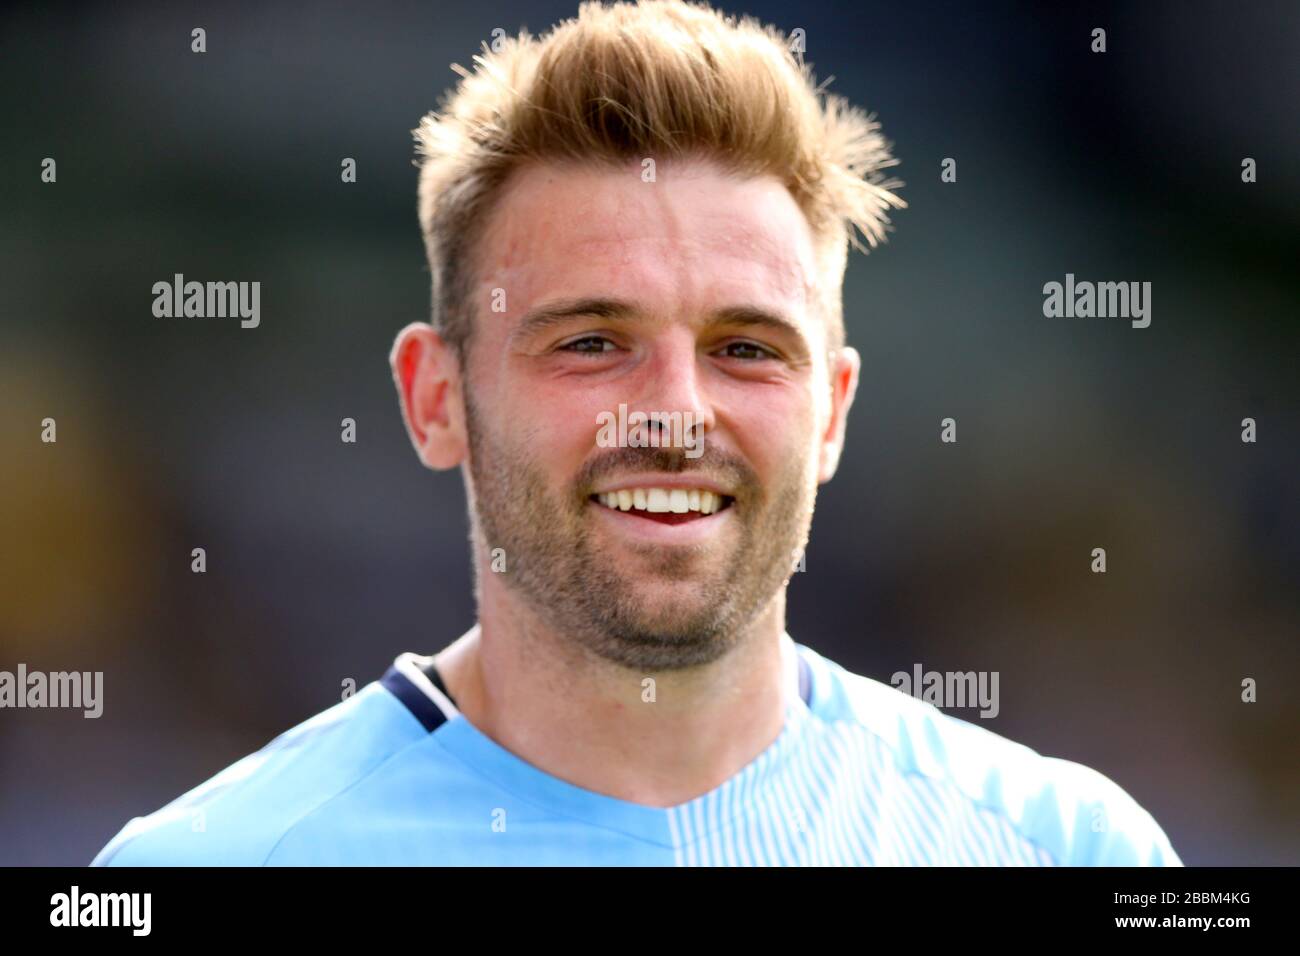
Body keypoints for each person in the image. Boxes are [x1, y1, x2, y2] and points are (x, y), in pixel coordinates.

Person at [93, 0, 1180, 866]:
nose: (672, 411)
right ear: (436, 397)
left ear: (834, 409)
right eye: (590, 342)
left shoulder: (1072, 850)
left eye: (746, 347)